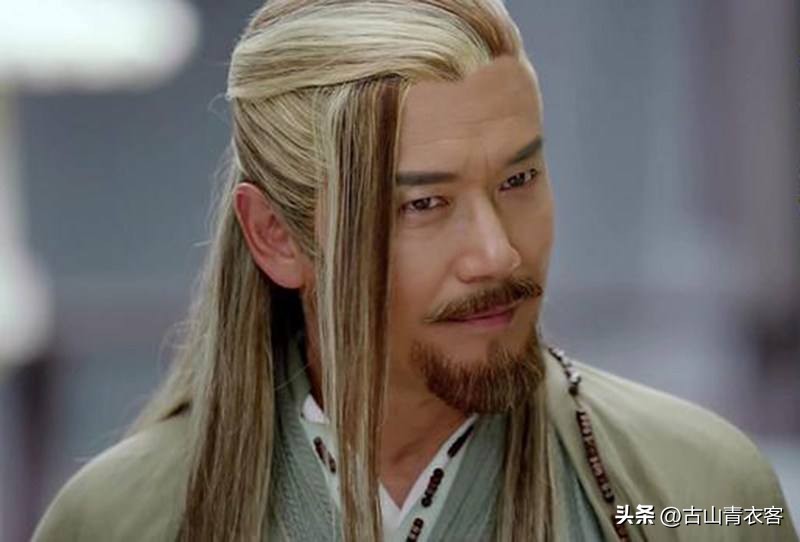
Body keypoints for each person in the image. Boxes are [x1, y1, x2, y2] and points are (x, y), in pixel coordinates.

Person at [33, 1, 798, 541]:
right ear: (276, 236)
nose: (497, 254)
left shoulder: (697, 494)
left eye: (519, 180)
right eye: (425, 204)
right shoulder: (120, 521)